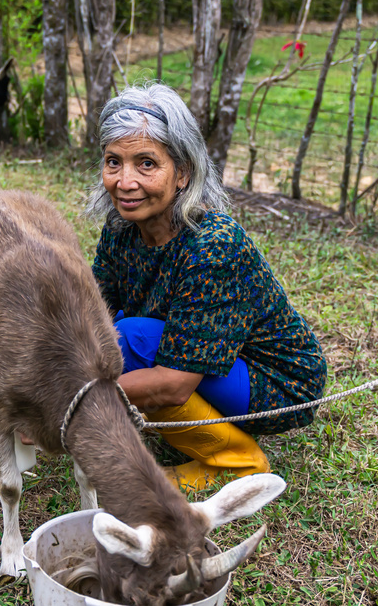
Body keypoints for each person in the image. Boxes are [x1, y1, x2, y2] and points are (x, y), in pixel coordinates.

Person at [87, 83, 327, 492]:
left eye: (146, 164)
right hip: (201, 358)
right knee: (110, 334)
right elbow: (93, 313)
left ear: (183, 173)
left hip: (275, 383)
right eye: (114, 162)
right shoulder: (121, 228)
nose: (124, 181)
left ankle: (238, 462)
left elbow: (175, 384)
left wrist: (70, 401)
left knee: (130, 340)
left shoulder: (212, 244)